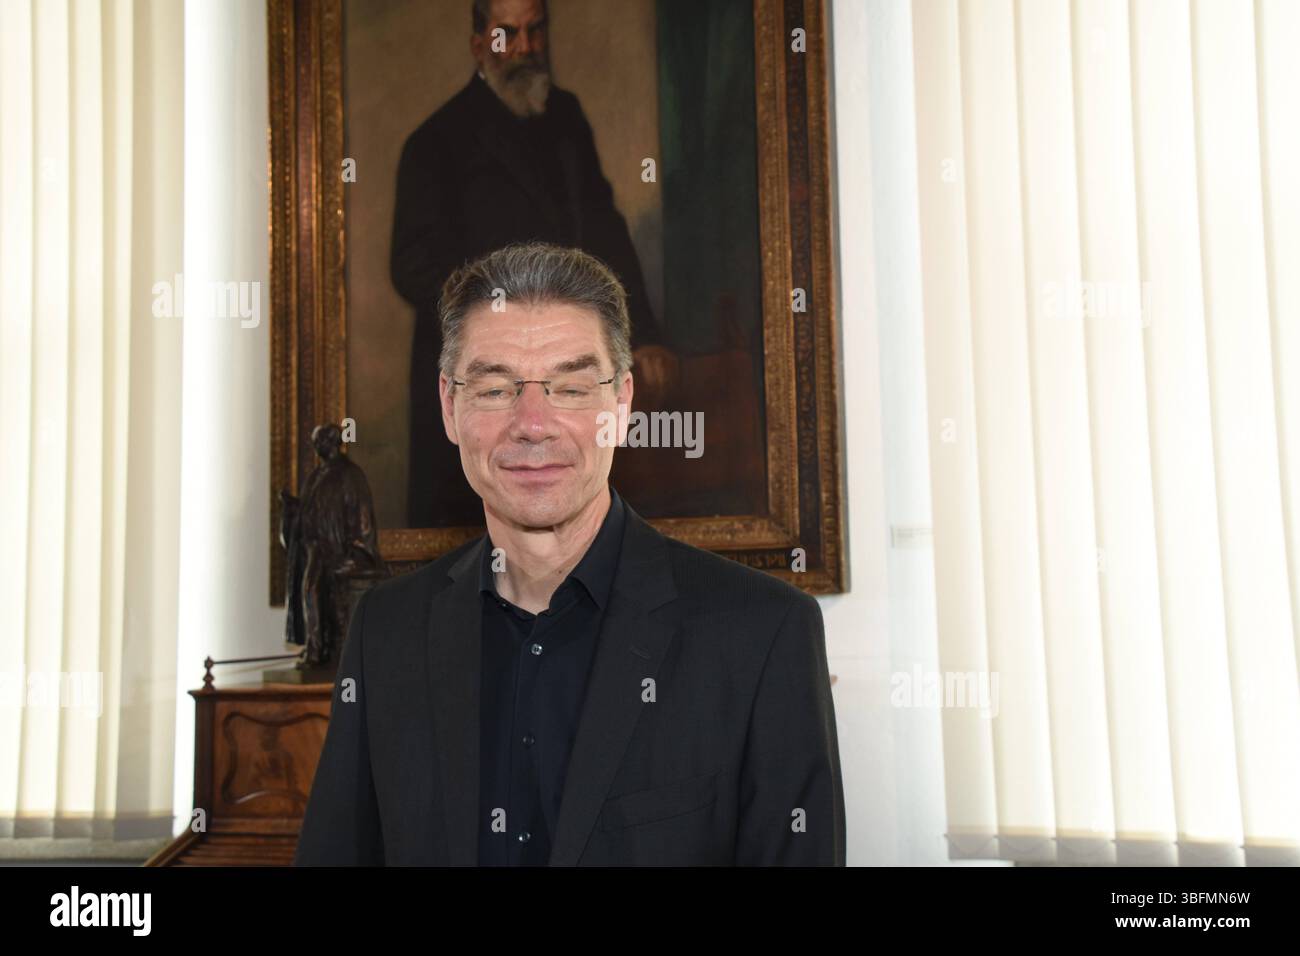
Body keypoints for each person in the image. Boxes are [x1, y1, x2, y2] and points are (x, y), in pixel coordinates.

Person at [294, 242, 844, 865]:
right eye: (496, 389)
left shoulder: (764, 633)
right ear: (449, 406)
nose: (533, 423)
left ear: (622, 404)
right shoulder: (386, 632)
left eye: (573, 388)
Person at [392, 0, 677, 528]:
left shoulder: (567, 119)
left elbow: (605, 231)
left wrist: (645, 334)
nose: (522, 48)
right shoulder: (435, 142)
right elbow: (411, 266)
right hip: (481, 382)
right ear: (480, 44)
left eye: (534, 32)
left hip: (568, 373)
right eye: (507, 35)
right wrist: (504, 317)